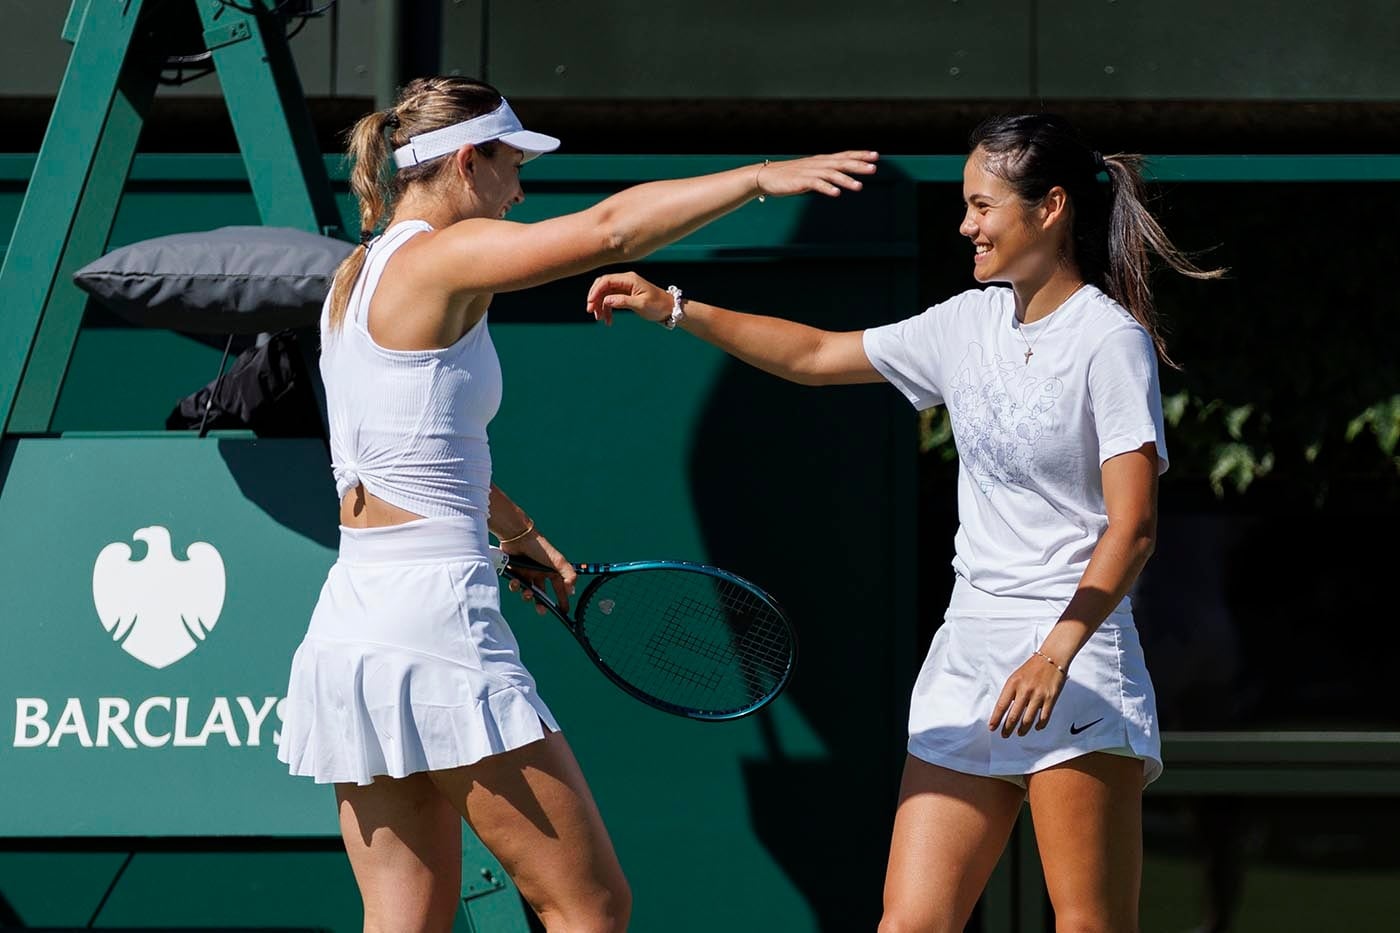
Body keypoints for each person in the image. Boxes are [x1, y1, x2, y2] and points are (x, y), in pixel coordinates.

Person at [585, 113, 1221, 932]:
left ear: (1051, 207)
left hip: (1075, 657)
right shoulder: (964, 323)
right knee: (909, 923)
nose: (966, 225)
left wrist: (1054, 652)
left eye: (983, 206)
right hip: (965, 657)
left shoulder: (1109, 341)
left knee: (1089, 923)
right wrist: (674, 306)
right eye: (966, 205)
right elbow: (815, 356)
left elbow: (1132, 527)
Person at [273, 75, 878, 932]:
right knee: (589, 906)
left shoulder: (353, 276)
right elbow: (609, 230)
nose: (520, 191)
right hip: (432, 621)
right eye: (513, 167)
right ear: (468, 161)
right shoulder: (440, 258)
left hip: (354, 624)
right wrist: (757, 178)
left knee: (404, 916)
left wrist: (520, 534)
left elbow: (412, 455)